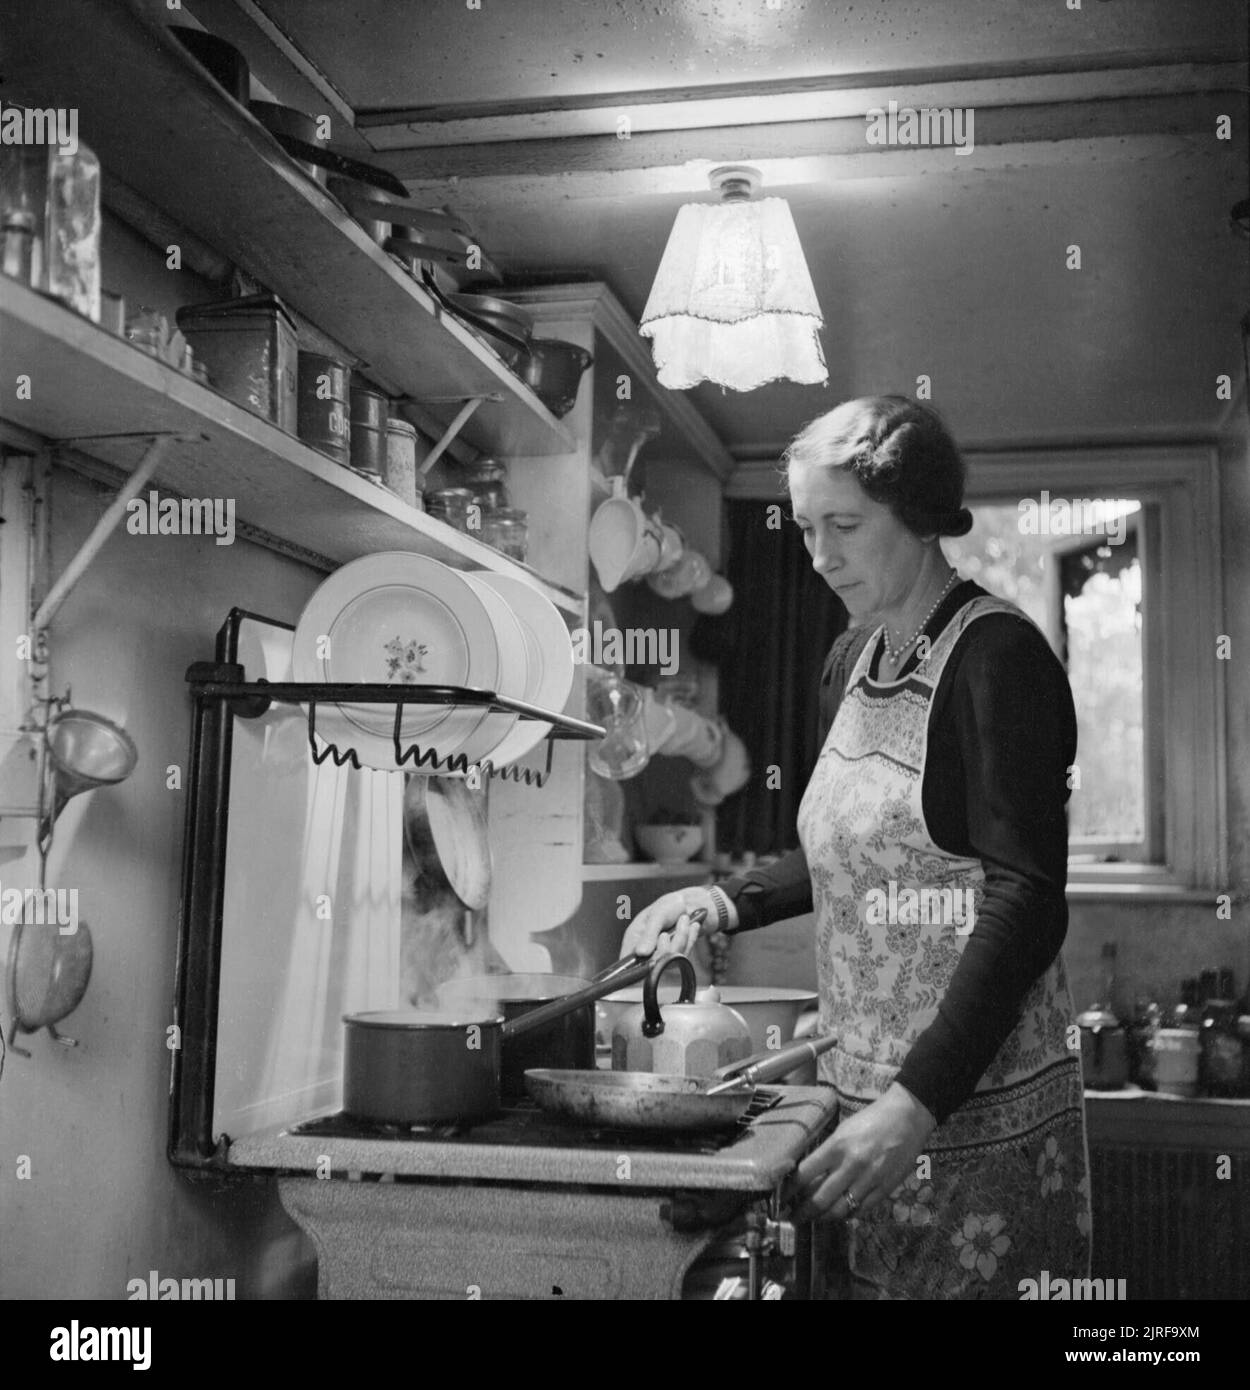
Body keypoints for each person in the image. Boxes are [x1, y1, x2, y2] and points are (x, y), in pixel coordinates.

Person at [621, 395, 1091, 1300]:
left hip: (969, 1122)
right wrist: (725, 900)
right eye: (803, 529)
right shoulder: (852, 660)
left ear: (915, 516)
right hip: (857, 1108)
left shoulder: (998, 660)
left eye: (844, 524)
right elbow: (852, 848)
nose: (820, 555)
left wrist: (914, 1106)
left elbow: (1027, 897)